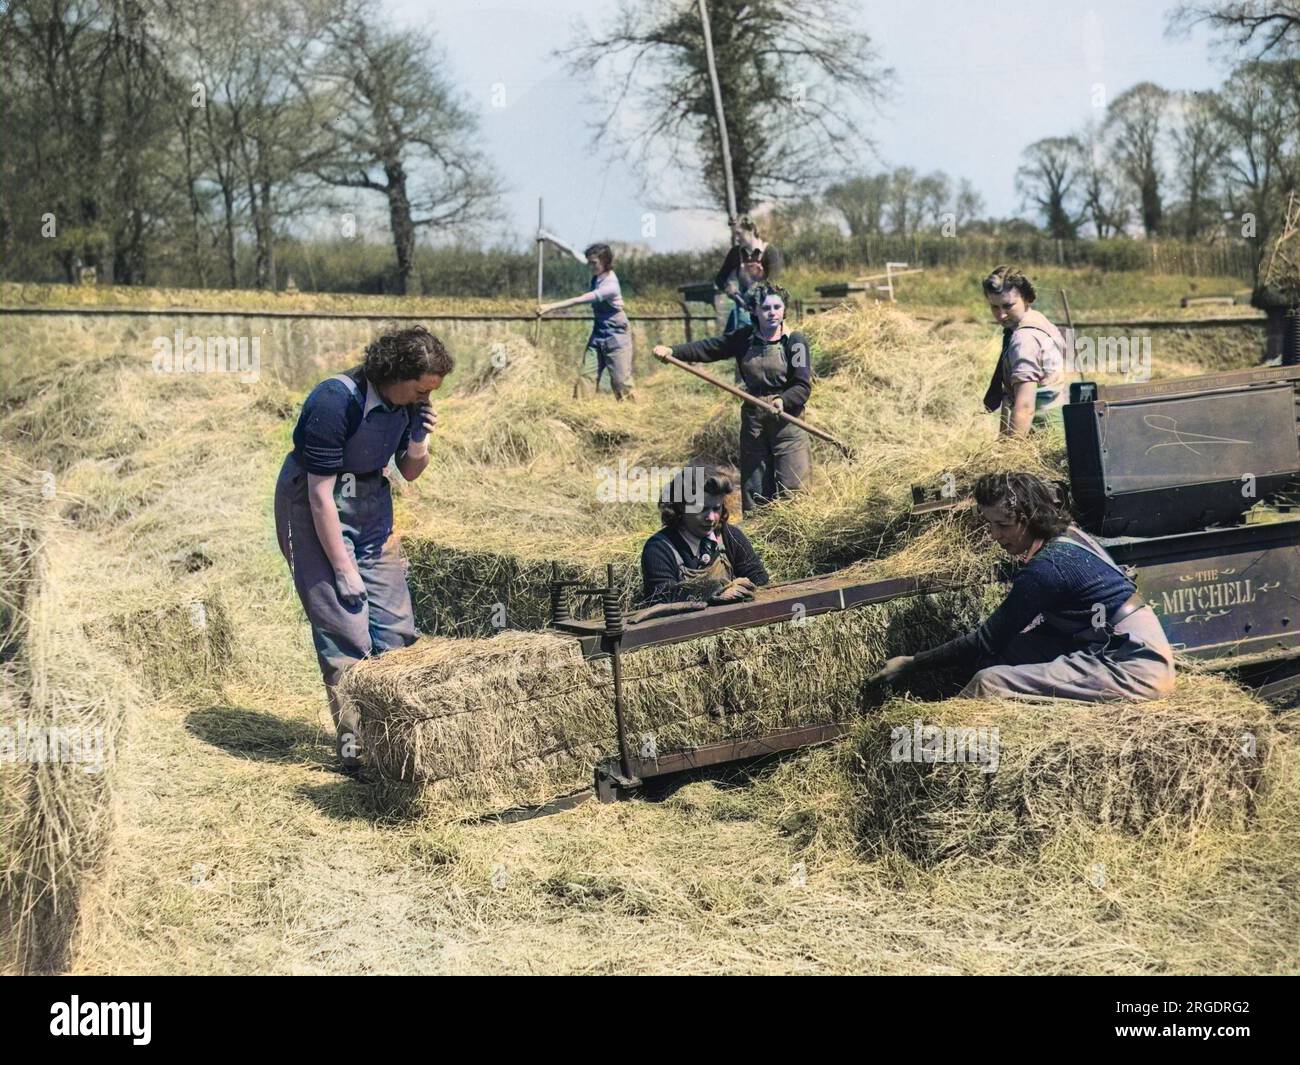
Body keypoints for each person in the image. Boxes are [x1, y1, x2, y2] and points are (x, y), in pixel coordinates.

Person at [274, 326, 452, 774]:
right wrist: (344, 569)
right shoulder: (334, 401)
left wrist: (419, 441)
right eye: (421, 387)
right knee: (347, 631)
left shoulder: (409, 403)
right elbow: (319, 496)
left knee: (396, 633)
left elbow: (409, 473)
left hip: (372, 504)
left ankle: (401, 749)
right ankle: (359, 757)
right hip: (317, 507)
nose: (427, 396)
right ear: (393, 373)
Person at [873, 472, 1176, 702]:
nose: (993, 535)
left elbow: (985, 640)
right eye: (989, 525)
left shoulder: (1047, 567)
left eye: (1003, 526)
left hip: (1134, 665)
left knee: (988, 682)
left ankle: (944, 743)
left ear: (1030, 518)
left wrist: (912, 663)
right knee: (1010, 651)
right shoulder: (1069, 535)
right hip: (1113, 641)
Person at [653, 282, 812, 515]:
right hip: (754, 419)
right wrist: (673, 350)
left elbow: (802, 386)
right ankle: (759, 538)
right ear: (754, 310)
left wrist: (782, 401)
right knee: (756, 490)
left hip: (788, 420)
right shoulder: (743, 339)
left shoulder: (795, 341)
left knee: (793, 485)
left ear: (784, 309)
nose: (772, 313)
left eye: (778, 307)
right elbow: (708, 348)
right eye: (766, 307)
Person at [641, 466, 770, 605]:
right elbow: (662, 596)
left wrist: (747, 586)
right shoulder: (658, 549)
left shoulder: (731, 537)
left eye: (716, 508)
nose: (711, 517)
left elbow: (760, 579)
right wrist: (716, 590)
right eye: (701, 509)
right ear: (680, 506)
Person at [537, 242, 634, 400]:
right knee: (586, 376)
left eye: (593, 263)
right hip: (598, 333)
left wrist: (550, 307)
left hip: (617, 335)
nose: (590, 266)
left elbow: (580, 300)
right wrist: (547, 237)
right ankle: (581, 411)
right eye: (589, 262)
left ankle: (631, 414)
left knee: (620, 381)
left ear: (605, 261)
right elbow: (570, 250)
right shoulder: (597, 268)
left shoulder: (610, 286)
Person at [980, 266, 1066, 436]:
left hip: (1039, 433)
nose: (1001, 315)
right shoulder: (1038, 320)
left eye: (1008, 306)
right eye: (995, 307)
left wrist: (1012, 457)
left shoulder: (1024, 339)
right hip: (1057, 426)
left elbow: (1025, 408)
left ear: (1027, 298)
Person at [713, 215, 783, 335]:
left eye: (739, 234)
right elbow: (720, 279)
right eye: (735, 235)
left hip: (766, 307)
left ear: (750, 231)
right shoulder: (735, 253)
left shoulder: (769, 252)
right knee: (732, 338)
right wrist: (729, 289)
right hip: (743, 305)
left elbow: (774, 284)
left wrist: (759, 293)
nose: (737, 239)